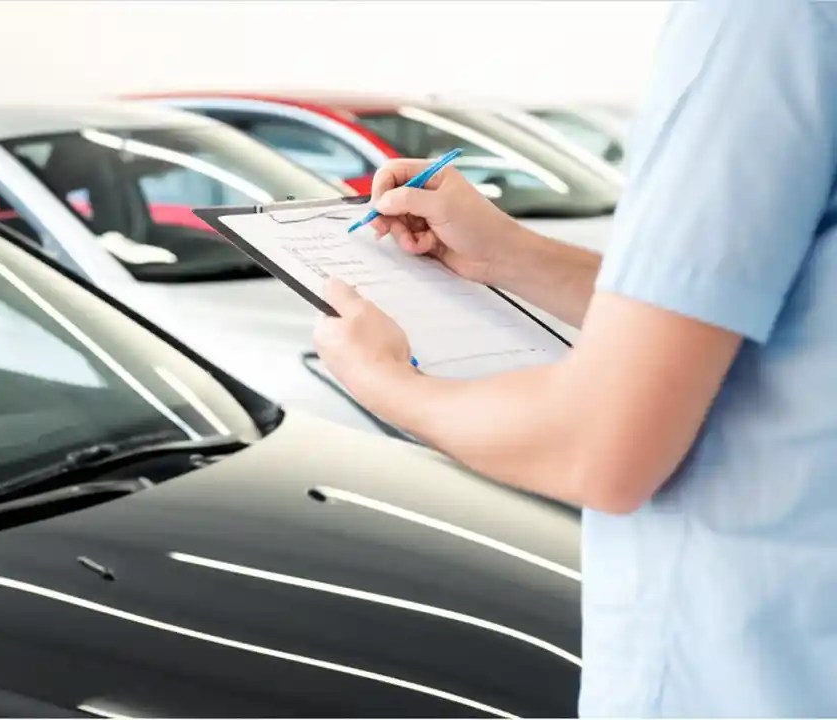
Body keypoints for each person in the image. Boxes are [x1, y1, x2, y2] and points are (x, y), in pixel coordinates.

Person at [312, 1, 837, 716]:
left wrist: (382, 378)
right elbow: (746, 322)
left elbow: (598, 445)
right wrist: (512, 255)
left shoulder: (765, 21)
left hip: (738, 675)